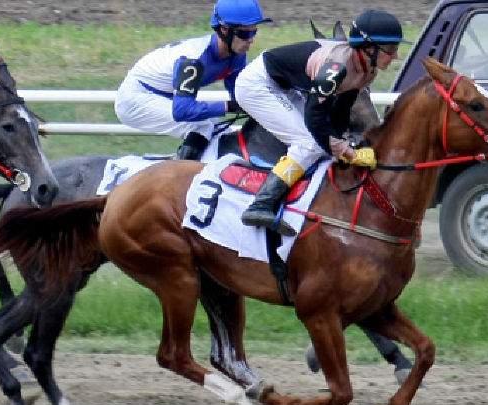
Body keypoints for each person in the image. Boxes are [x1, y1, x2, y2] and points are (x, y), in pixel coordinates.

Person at [235, 9, 406, 235]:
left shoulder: (368, 70)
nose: (395, 56)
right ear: (369, 48)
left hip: (285, 85)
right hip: (257, 85)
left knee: (322, 145)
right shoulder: (336, 68)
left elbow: (340, 113)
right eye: (391, 49)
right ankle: (261, 204)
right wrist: (346, 152)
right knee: (308, 143)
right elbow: (315, 117)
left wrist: (345, 144)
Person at [114, 0, 270, 161]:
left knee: (220, 130)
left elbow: (240, 96)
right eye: (245, 34)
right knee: (201, 126)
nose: (251, 40)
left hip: (166, 96)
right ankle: (180, 177)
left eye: (254, 32)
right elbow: (183, 111)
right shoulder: (193, 59)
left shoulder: (236, 55)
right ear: (224, 30)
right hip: (135, 98)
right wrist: (228, 106)